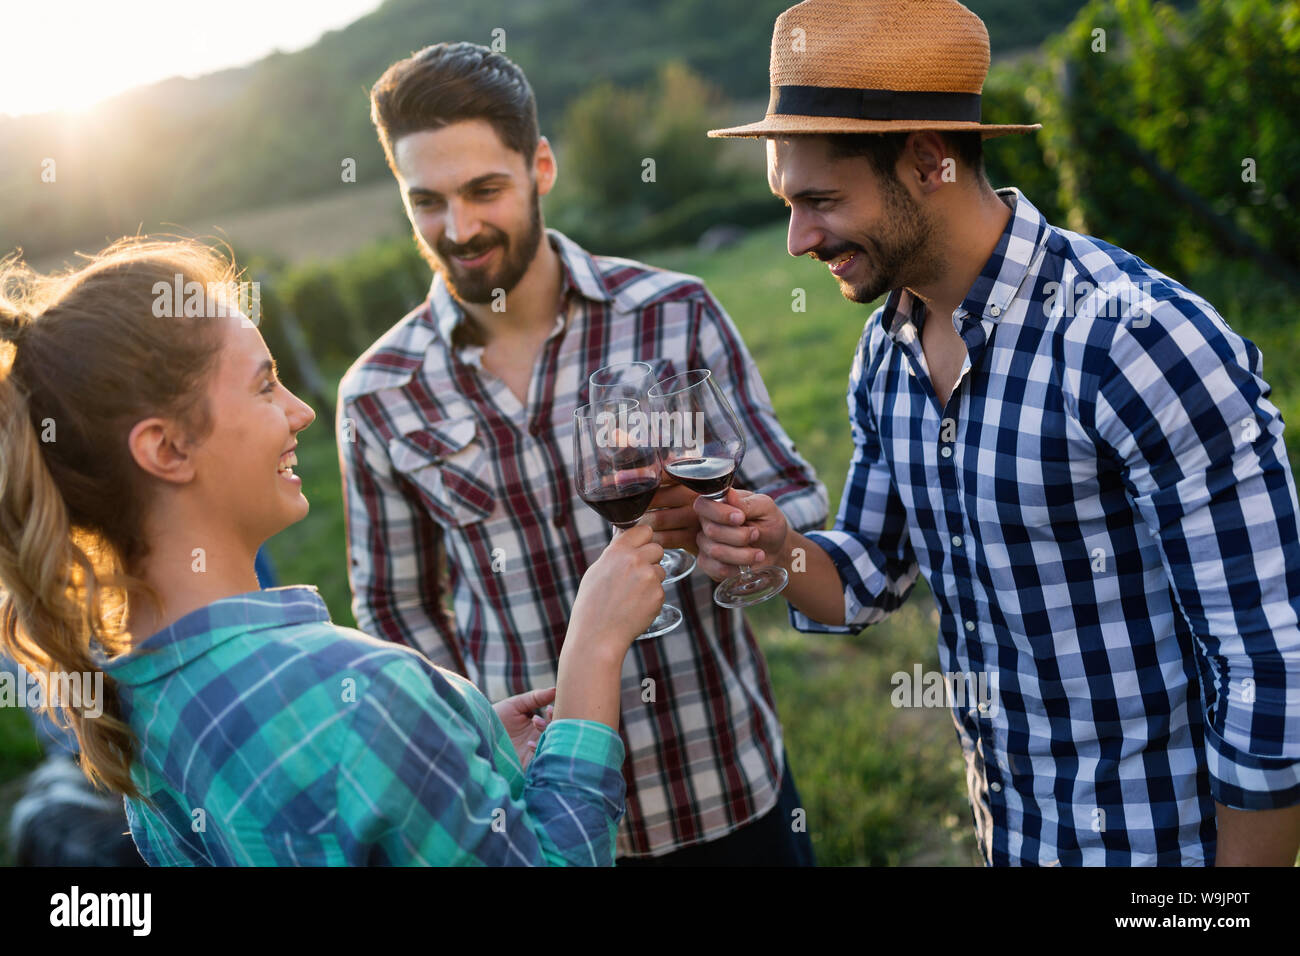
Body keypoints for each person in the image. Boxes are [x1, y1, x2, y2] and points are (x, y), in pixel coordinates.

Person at [696, 0, 1300, 866]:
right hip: (1012, 832)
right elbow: (866, 573)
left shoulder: (1135, 341)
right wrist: (777, 547)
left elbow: (1270, 664)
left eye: (821, 201)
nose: (797, 239)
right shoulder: (886, 349)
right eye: (787, 204)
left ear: (928, 161)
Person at [0, 238, 667, 866]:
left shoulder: (142, 698)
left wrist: (448, 750)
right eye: (265, 386)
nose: (301, 412)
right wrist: (594, 649)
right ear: (167, 450)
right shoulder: (363, 698)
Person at [339, 42, 828, 864]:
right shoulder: (377, 391)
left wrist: (744, 533)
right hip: (535, 822)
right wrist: (470, 744)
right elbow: (396, 617)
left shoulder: (674, 312)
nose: (458, 229)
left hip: (722, 785)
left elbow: (797, 498)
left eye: (484, 190)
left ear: (541, 166)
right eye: (427, 201)